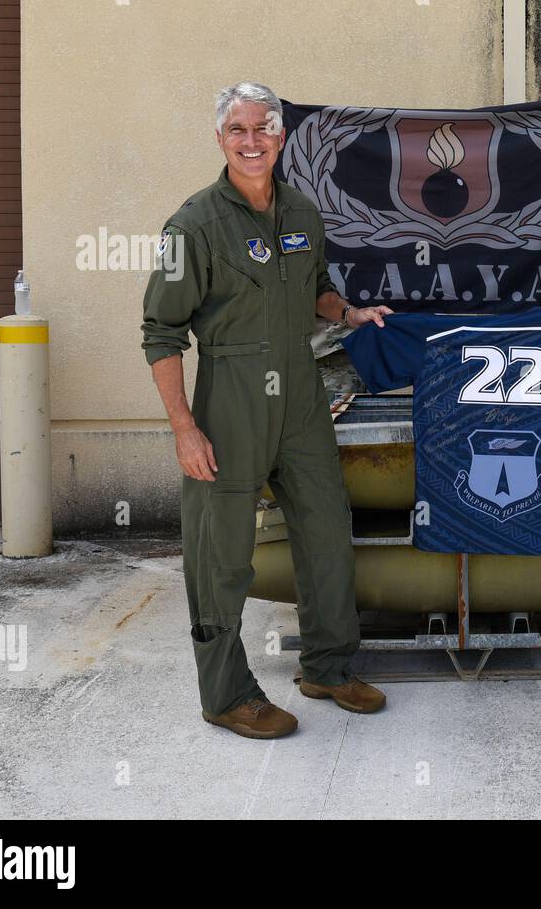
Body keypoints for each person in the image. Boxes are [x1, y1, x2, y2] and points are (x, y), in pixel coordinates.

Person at [141, 81, 393, 739]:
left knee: (326, 534)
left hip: (302, 398)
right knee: (221, 554)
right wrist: (183, 429)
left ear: (281, 138)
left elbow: (318, 291)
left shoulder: (304, 213)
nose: (251, 141)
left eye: (263, 129)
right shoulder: (193, 225)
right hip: (231, 398)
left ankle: (328, 668)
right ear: (219, 139)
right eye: (237, 130)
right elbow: (161, 333)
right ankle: (225, 693)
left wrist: (350, 313)